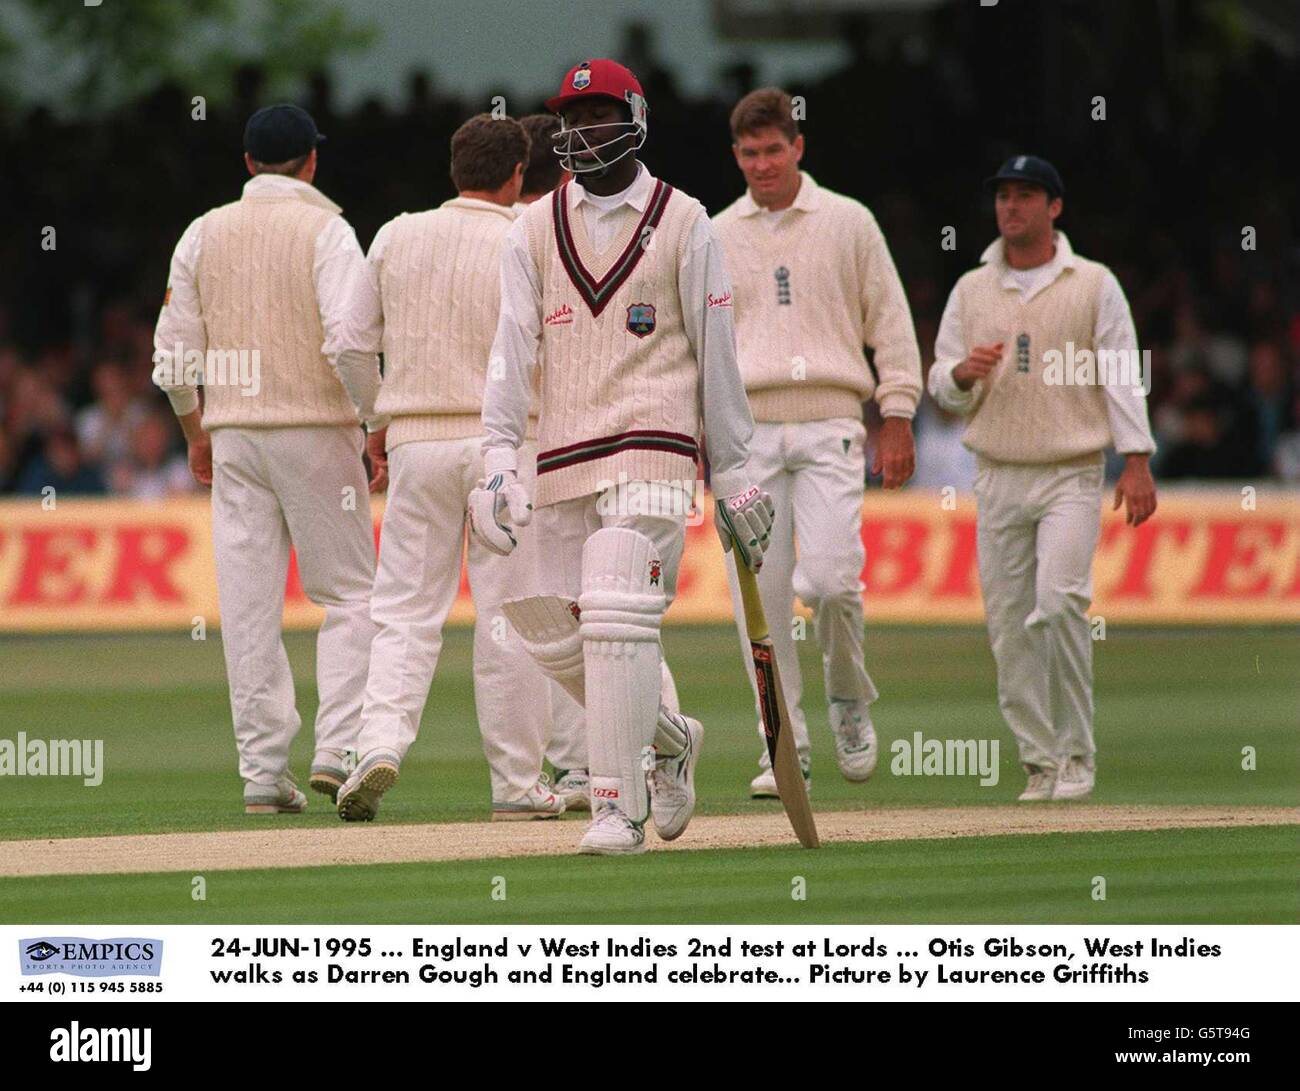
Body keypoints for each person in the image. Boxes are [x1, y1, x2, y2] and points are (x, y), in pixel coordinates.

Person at [471, 59, 773, 855]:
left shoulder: (686, 218)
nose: (580, 132)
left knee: (615, 616)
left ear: (634, 117)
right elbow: (510, 349)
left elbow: (717, 352)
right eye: (569, 118)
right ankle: (669, 737)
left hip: (657, 444)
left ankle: (615, 807)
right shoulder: (531, 229)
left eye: (597, 115)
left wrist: (735, 471)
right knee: (558, 629)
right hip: (564, 451)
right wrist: (498, 455)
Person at [333, 115, 566, 823]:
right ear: (518, 176)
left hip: (417, 443)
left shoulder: (398, 233)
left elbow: (346, 344)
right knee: (509, 618)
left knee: (403, 611)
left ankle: (377, 743)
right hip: (506, 449)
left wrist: (376, 422)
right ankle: (518, 786)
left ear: (454, 167)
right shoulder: (528, 236)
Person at [153, 104, 384, 814]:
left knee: (249, 607)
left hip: (236, 435)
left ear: (249, 163)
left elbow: (170, 359)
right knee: (349, 594)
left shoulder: (202, 231)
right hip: (315, 428)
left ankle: (262, 774)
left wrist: (196, 431)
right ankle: (339, 749)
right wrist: (375, 421)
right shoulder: (329, 230)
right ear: (311, 162)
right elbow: (348, 342)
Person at [712, 87, 922, 798]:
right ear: (736, 156)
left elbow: (889, 322)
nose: (763, 163)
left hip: (832, 420)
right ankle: (785, 745)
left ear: (798, 147)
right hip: (746, 435)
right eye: (750, 152)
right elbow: (700, 347)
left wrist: (896, 413)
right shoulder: (716, 234)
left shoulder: (847, 222)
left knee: (831, 582)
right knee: (760, 602)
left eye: (774, 149)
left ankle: (848, 699)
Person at [927, 155, 1157, 802]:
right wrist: (962, 376)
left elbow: (1120, 371)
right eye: (1003, 196)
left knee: (1057, 605)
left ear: (1055, 207)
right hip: (997, 471)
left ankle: (1078, 754)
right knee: (1007, 625)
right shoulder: (973, 287)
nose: (1011, 208)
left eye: (1026, 196)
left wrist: (1136, 457)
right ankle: (1039, 760)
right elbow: (940, 382)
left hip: (1070, 472)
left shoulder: (1093, 283)